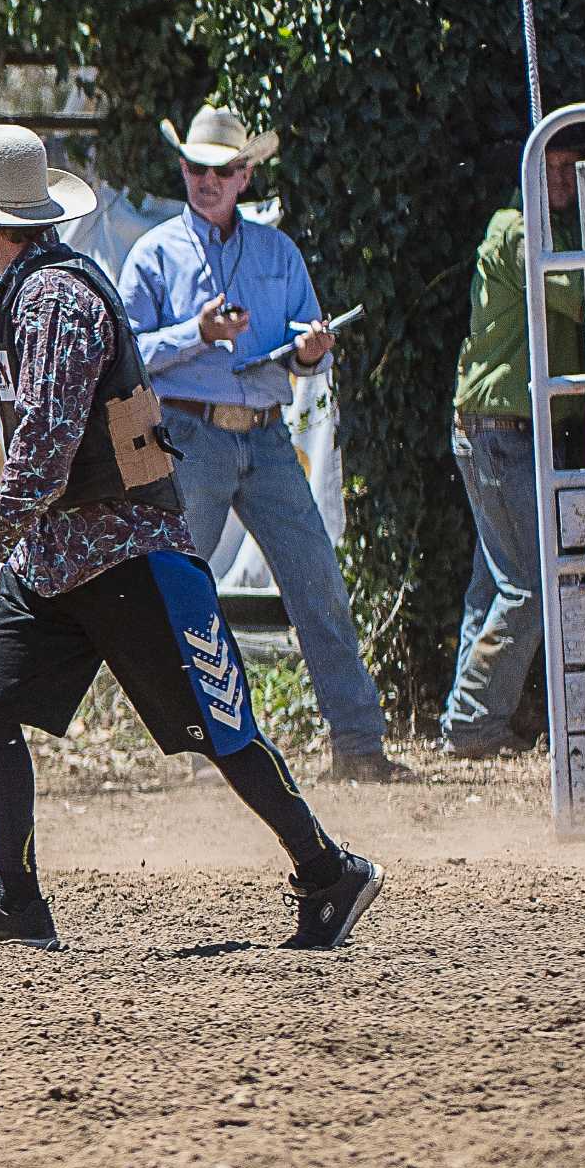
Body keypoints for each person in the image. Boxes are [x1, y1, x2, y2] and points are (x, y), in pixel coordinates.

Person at [0, 125, 385, 951]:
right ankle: (15, 897)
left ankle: (327, 870)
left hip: (124, 550)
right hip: (67, 553)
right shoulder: (32, 289)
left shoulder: (53, 298)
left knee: (223, 727)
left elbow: (49, 439)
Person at [121, 104, 404, 781]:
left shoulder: (279, 254)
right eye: (196, 167)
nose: (206, 179)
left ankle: (359, 746)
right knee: (182, 597)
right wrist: (199, 333)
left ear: (245, 174)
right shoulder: (156, 253)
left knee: (320, 586)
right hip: (189, 435)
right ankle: (194, 753)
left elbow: (310, 355)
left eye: (220, 169)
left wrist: (310, 352)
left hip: (267, 439)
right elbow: (124, 352)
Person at [439, 124, 585, 759]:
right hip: (500, 430)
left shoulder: (532, 229)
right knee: (527, 582)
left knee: (495, 582)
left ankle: (465, 720)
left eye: (569, 170)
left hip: (503, 428)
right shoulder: (517, 230)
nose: (558, 182)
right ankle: (475, 724)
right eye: (548, 169)